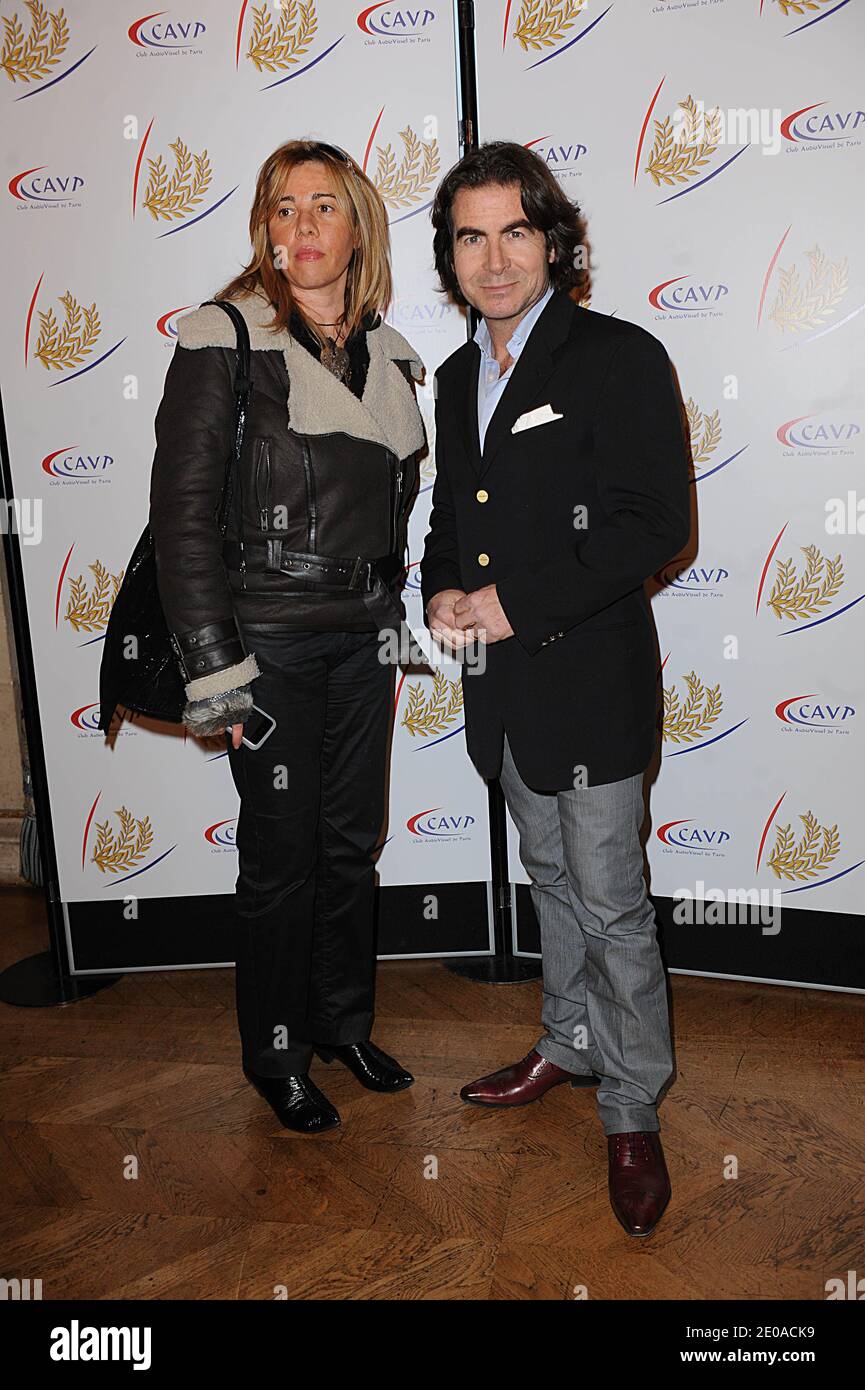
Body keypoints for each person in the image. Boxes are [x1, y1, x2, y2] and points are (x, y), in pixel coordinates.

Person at [421, 141, 692, 1235]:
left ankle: (630, 1109)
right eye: (470, 235)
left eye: (514, 231)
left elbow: (653, 524)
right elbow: (454, 517)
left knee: (612, 901)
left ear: (553, 240)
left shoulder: (618, 356)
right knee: (548, 875)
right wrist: (444, 590)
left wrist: (514, 604)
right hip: (502, 693)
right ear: (450, 253)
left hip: (586, 679)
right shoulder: (449, 378)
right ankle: (566, 1042)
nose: (493, 258)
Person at [148, 139, 427, 1134]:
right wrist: (212, 672)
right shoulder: (222, 335)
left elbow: (395, 513)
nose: (301, 228)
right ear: (264, 229)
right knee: (283, 855)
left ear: (358, 226)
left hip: (365, 638)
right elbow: (183, 515)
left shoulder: (388, 352)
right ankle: (275, 1049)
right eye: (281, 208)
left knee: (351, 844)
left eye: (322, 206)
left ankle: (340, 1022)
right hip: (265, 641)